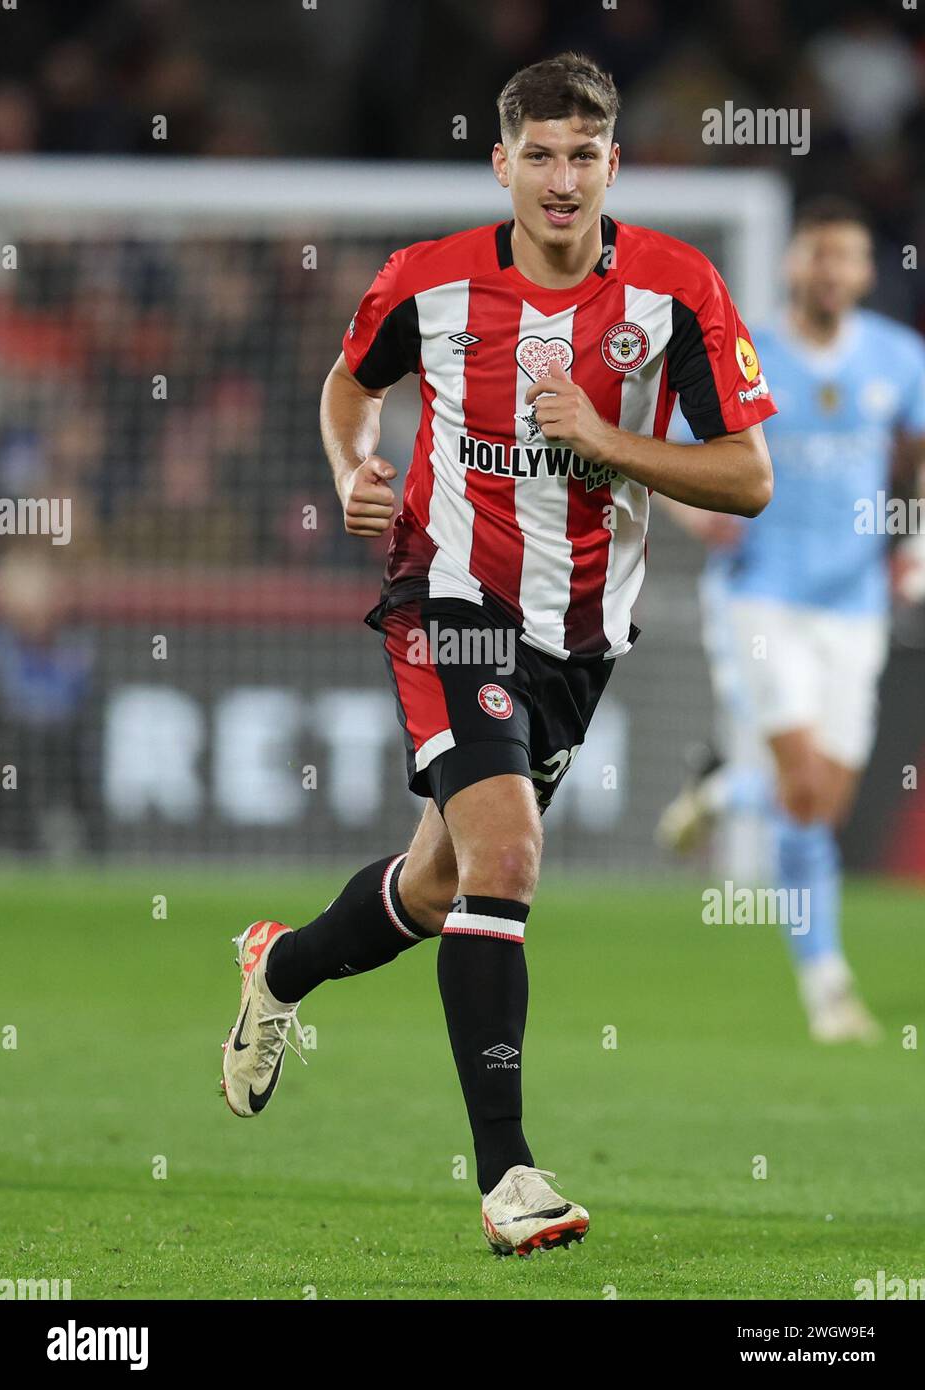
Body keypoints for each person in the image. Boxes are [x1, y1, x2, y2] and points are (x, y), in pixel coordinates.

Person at [220, 51, 775, 1256]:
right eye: (540, 154)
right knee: (509, 860)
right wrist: (350, 474)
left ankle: (284, 966)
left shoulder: (677, 293)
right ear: (502, 163)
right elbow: (346, 386)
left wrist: (609, 446)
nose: (562, 179)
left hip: (583, 634)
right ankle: (508, 1175)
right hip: (449, 596)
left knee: (438, 887)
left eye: (585, 155)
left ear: (613, 163)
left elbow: (747, 478)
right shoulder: (425, 283)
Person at [658, 198, 925, 1043]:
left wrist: (911, 540)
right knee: (806, 795)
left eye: (845, 259)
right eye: (816, 256)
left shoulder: (900, 358)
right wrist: (692, 508)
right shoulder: (747, 354)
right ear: (791, 265)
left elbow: (916, 461)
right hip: (760, 594)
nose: (830, 272)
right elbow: (659, 445)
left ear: (864, 273)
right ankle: (827, 988)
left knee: (822, 802)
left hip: (855, 605)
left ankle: (722, 789)